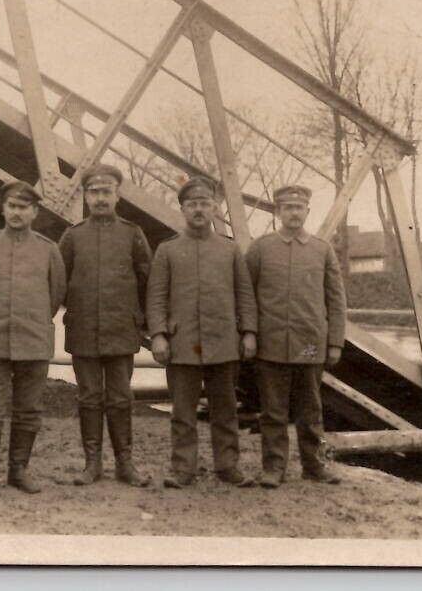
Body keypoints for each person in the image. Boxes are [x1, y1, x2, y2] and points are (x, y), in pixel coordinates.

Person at [146, 175, 258, 488]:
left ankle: (228, 467)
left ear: (214, 208)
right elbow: (156, 297)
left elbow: (245, 294)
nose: (198, 209)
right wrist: (158, 335)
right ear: (182, 208)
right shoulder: (167, 250)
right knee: (183, 412)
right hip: (182, 343)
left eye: (204, 204)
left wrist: (248, 332)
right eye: (192, 204)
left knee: (225, 410)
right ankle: (183, 469)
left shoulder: (230, 250)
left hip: (223, 343)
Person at [0, 180, 66, 499]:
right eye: (11, 206)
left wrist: (31, 320)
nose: (16, 212)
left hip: (33, 341)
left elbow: (55, 295)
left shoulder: (49, 250)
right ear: (3, 208)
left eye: (23, 207)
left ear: (34, 212)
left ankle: (18, 470)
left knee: (29, 409)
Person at [58, 163, 152, 487]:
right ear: (85, 196)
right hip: (83, 329)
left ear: (118, 195)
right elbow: (58, 282)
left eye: (106, 192)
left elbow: (147, 280)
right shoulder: (72, 236)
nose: (100, 198)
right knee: (88, 397)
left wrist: (141, 321)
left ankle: (125, 463)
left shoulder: (132, 234)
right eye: (94, 192)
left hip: (121, 331)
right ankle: (92, 463)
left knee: (120, 397)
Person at [245, 184, 347, 486]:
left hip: (309, 344)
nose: (293, 213)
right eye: (287, 208)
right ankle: (274, 468)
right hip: (271, 344)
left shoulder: (322, 249)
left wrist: (335, 342)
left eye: (299, 208)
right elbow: (246, 295)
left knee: (311, 410)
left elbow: (336, 300)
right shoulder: (260, 248)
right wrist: (249, 333)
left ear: (307, 212)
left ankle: (314, 466)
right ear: (278, 212)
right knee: (273, 411)